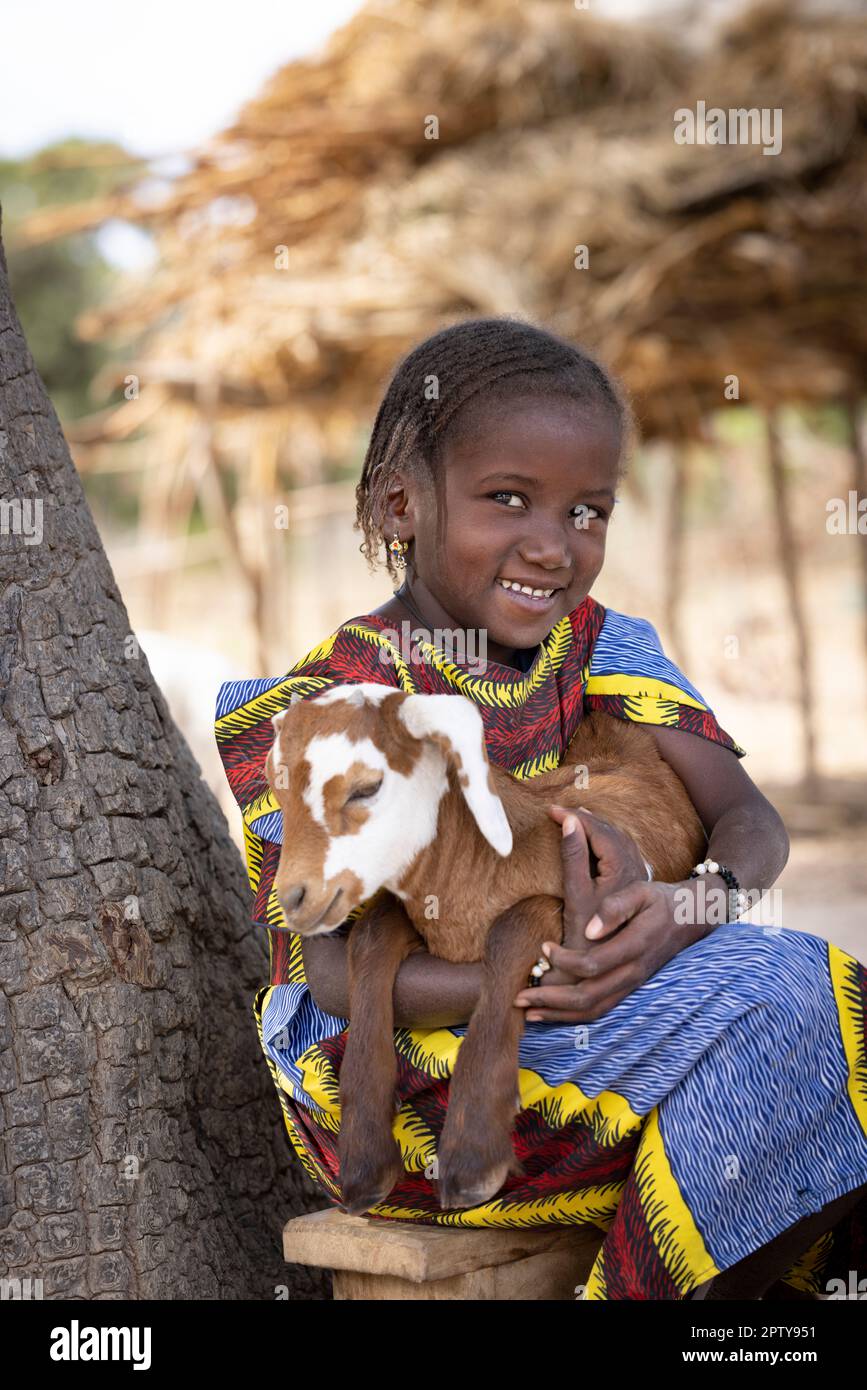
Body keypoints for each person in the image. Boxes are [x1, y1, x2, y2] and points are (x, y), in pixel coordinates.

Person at [215, 317, 867, 1300]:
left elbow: (751, 823)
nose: (552, 545)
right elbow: (342, 972)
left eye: (587, 512)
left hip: (599, 1028)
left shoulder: (603, 645)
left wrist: (686, 912)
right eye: (507, 498)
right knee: (797, 994)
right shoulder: (332, 704)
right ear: (401, 505)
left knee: (817, 1012)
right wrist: (555, 975)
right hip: (392, 1084)